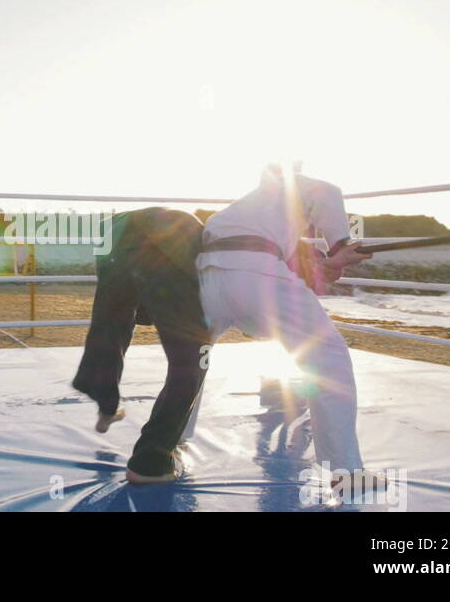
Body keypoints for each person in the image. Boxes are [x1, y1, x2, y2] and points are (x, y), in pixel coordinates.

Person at [193, 164, 374, 492]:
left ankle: (171, 442)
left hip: (207, 276)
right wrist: (340, 244)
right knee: (328, 356)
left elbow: (293, 261)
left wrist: (330, 262)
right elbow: (328, 193)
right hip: (254, 273)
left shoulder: (250, 207)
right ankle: (345, 473)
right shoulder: (298, 189)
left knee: (194, 359)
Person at [72, 207, 210, 484]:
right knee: (193, 356)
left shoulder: (181, 224)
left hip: (113, 235)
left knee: (111, 326)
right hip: (166, 246)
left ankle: (106, 408)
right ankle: (150, 462)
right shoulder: (202, 233)